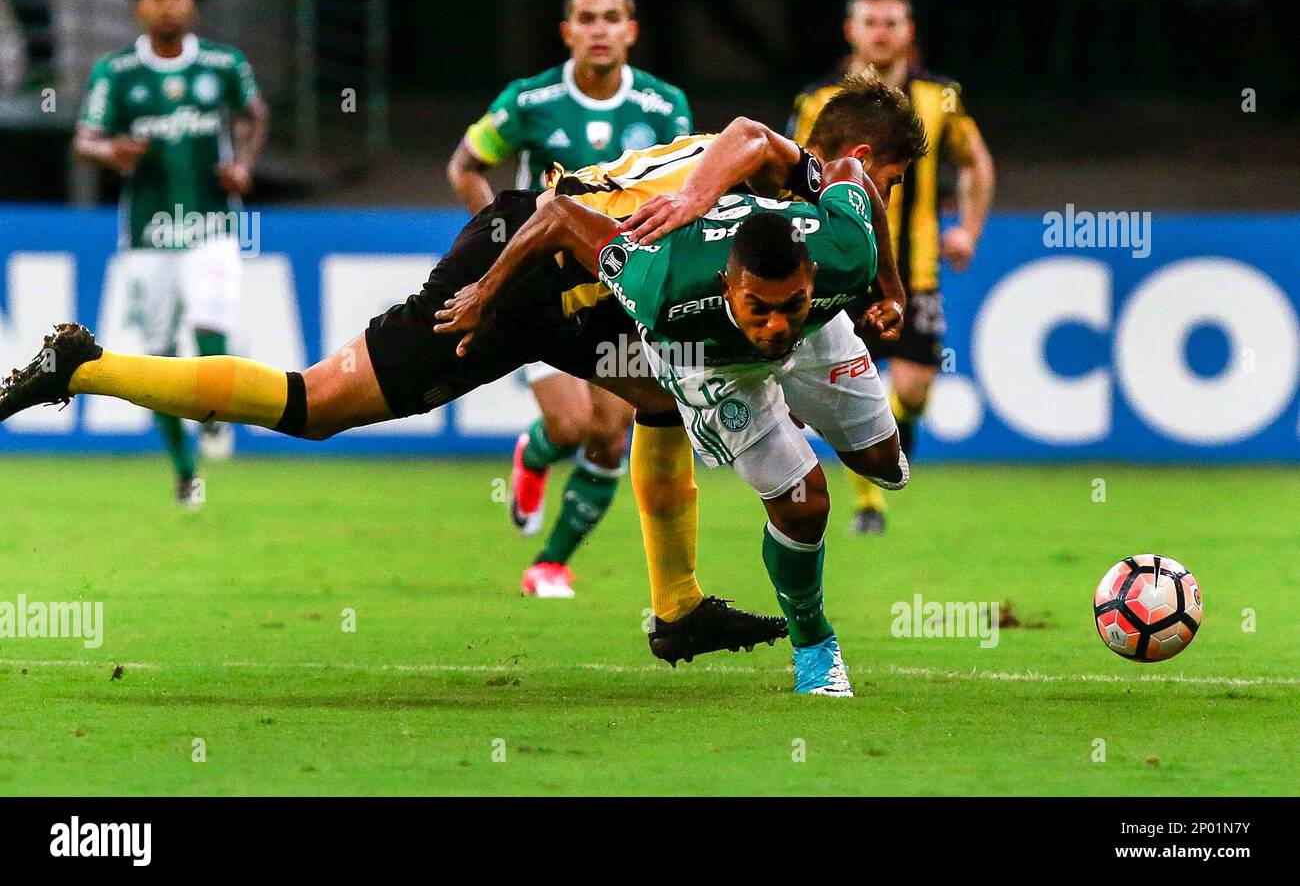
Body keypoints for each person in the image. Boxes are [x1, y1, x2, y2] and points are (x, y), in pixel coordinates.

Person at [2, 78, 924, 678]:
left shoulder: (805, 203)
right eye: (885, 179)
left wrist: (884, 287)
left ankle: (676, 608)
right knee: (318, 404)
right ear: (869, 164)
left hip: (593, 279)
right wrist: (489, 290)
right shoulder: (770, 186)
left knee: (660, 394)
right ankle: (87, 367)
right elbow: (602, 199)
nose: (878, 195)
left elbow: (807, 178)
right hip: (536, 258)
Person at [439, 153, 908, 696]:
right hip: (704, 358)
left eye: (791, 303)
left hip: (819, 335)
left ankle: (803, 398)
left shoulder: (845, 255)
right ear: (727, 284)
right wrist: (484, 292)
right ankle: (815, 646)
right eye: (758, 307)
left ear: (813, 278)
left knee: (884, 467)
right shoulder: (661, 282)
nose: (776, 324)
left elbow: (850, 170)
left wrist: (892, 291)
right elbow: (560, 215)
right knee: (804, 500)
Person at [447, 0, 691, 598]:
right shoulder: (529, 102)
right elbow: (466, 165)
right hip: (544, 288)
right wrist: (497, 233)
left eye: (612, 17)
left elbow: (680, 186)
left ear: (631, 31)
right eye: (587, 18)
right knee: (573, 425)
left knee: (612, 435)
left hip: (618, 292)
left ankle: (550, 563)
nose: (600, 30)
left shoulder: (665, 107)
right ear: (567, 32)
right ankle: (534, 455)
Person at [789, 0, 995, 535]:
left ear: (909, 30)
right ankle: (869, 505)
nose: (881, 33)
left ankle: (893, 435)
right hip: (841, 264)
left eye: (892, 23)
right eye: (870, 22)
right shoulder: (817, 100)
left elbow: (975, 161)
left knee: (913, 389)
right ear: (850, 29)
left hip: (917, 266)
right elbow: (795, 171)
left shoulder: (939, 95)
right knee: (839, 384)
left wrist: (968, 230)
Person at [72, 0, 269, 505]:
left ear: (193, 4)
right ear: (138, 6)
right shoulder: (117, 71)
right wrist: (112, 150)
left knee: (211, 326)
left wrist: (244, 165)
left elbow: (255, 114)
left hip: (211, 227)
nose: (168, 8)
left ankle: (212, 415)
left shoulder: (223, 65)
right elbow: (83, 140)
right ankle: (185, 472)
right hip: (147, 234)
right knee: (158, 356)